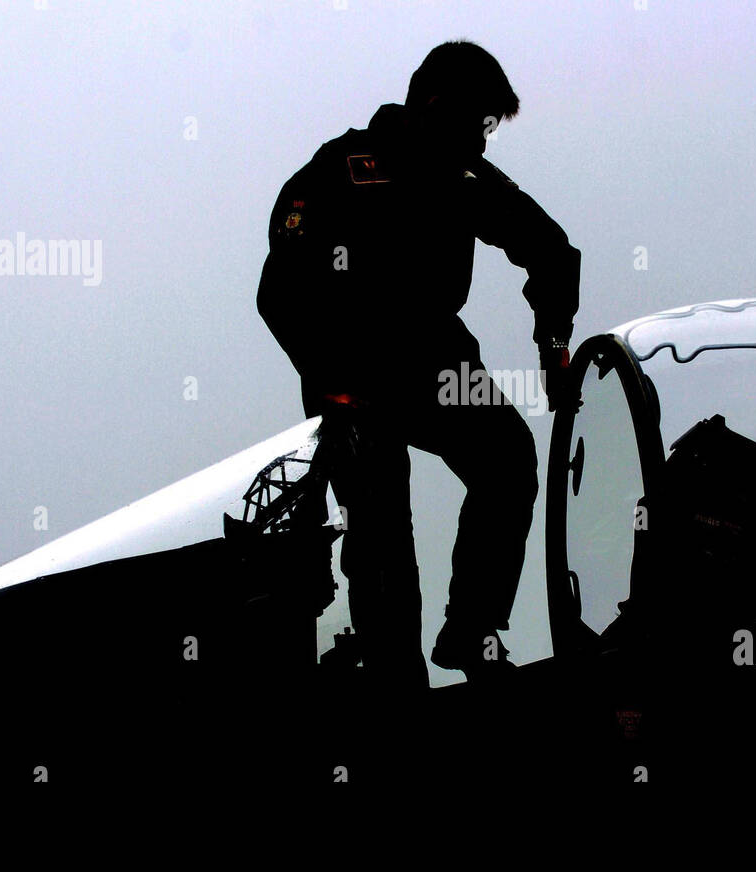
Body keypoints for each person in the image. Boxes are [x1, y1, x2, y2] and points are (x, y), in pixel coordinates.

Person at [256, 40, 581, 689]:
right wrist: (335, 384)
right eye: (479, 123)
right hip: (351, 378)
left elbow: (551, 250)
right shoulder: (335, 174)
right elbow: (279, 293)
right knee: (381, 534)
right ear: (436, 106)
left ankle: (471, 632)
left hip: (433, 362)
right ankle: (396, 692)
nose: (484, 144)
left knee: (509, 459)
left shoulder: (461, 179)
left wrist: (553, 350)